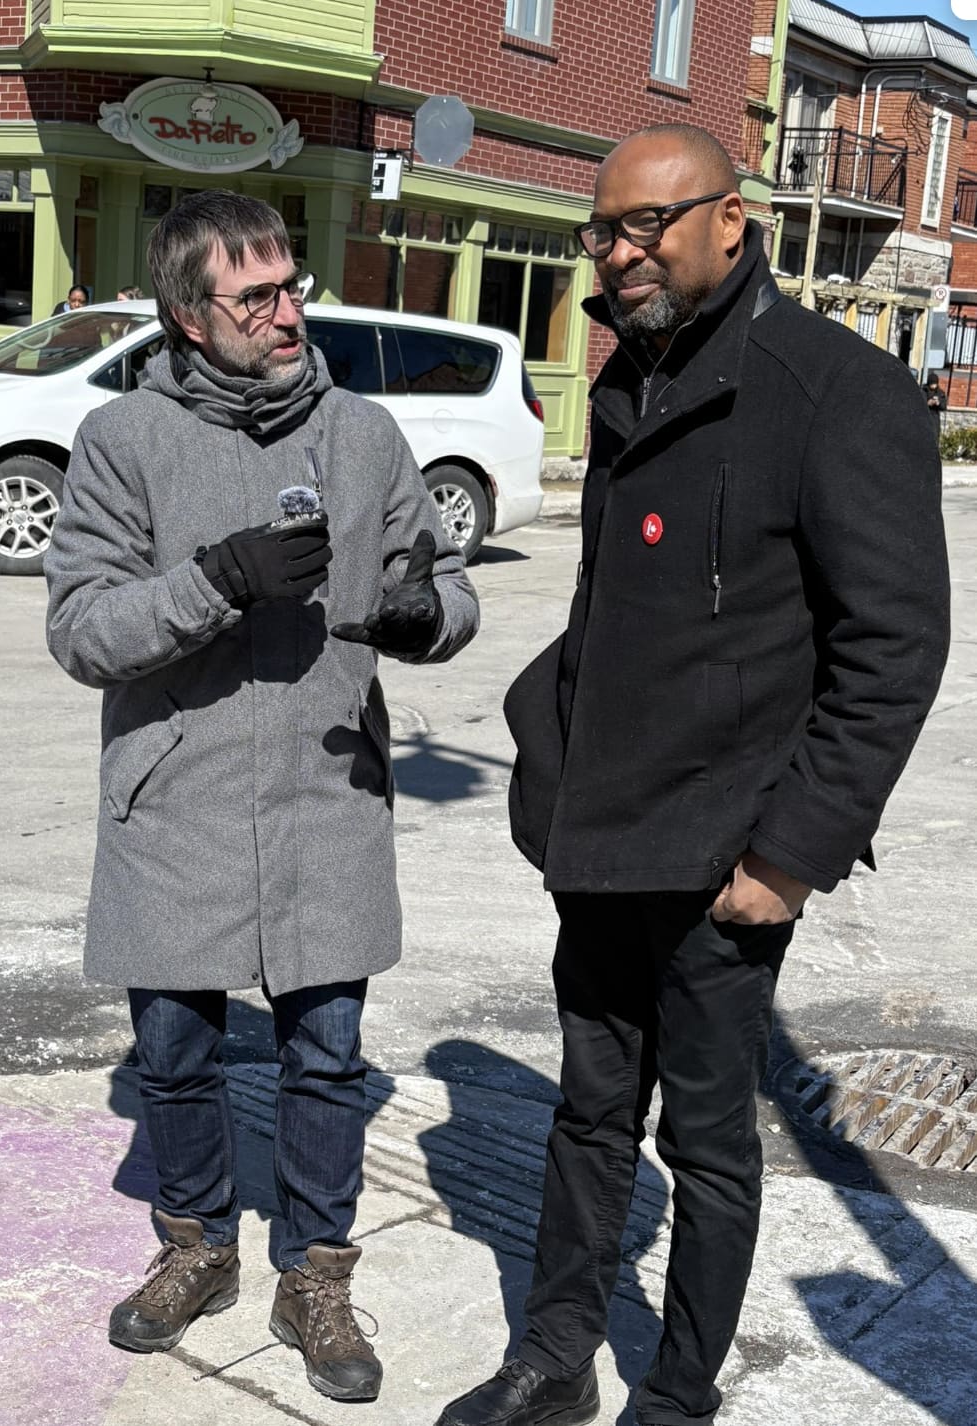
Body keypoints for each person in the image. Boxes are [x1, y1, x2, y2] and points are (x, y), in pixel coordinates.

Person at [437, 123, 949, 1426]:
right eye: (601, 230)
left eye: (646, 223)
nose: (618, 252)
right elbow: (613, 610)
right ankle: (555, 1357)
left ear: (731, 219)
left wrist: (787, 855)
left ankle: (675, 1394)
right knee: (586, 1112)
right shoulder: (632, 377)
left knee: (706, 1145)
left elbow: (892, 645)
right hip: (601, 838)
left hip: (726, 857)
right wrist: (549, 757)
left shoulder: (833, 391)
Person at [44, 190, 478, 1403]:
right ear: (189, 315)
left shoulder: (363, 434)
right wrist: (216, 580)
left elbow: (446, 586)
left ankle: (315, 1272)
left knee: (327, 1056)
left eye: (293, 286)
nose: (288, 312)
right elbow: (82, 631)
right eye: (256, 297)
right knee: (175, 1052)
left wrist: (423, 617)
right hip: (173, 798)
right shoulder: (123, 439)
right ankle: (194, 1244)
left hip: (324, 791)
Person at [923, 370, 947, 437]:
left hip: (935, 418)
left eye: (935, 384)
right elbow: (919, 404)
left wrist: (938, 403)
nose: (933, 386)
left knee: (935, 436)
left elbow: (944, 406)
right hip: (925, 417)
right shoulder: (923, 391)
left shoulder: (940, 393)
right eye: (932, 384)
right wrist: (927, 403)